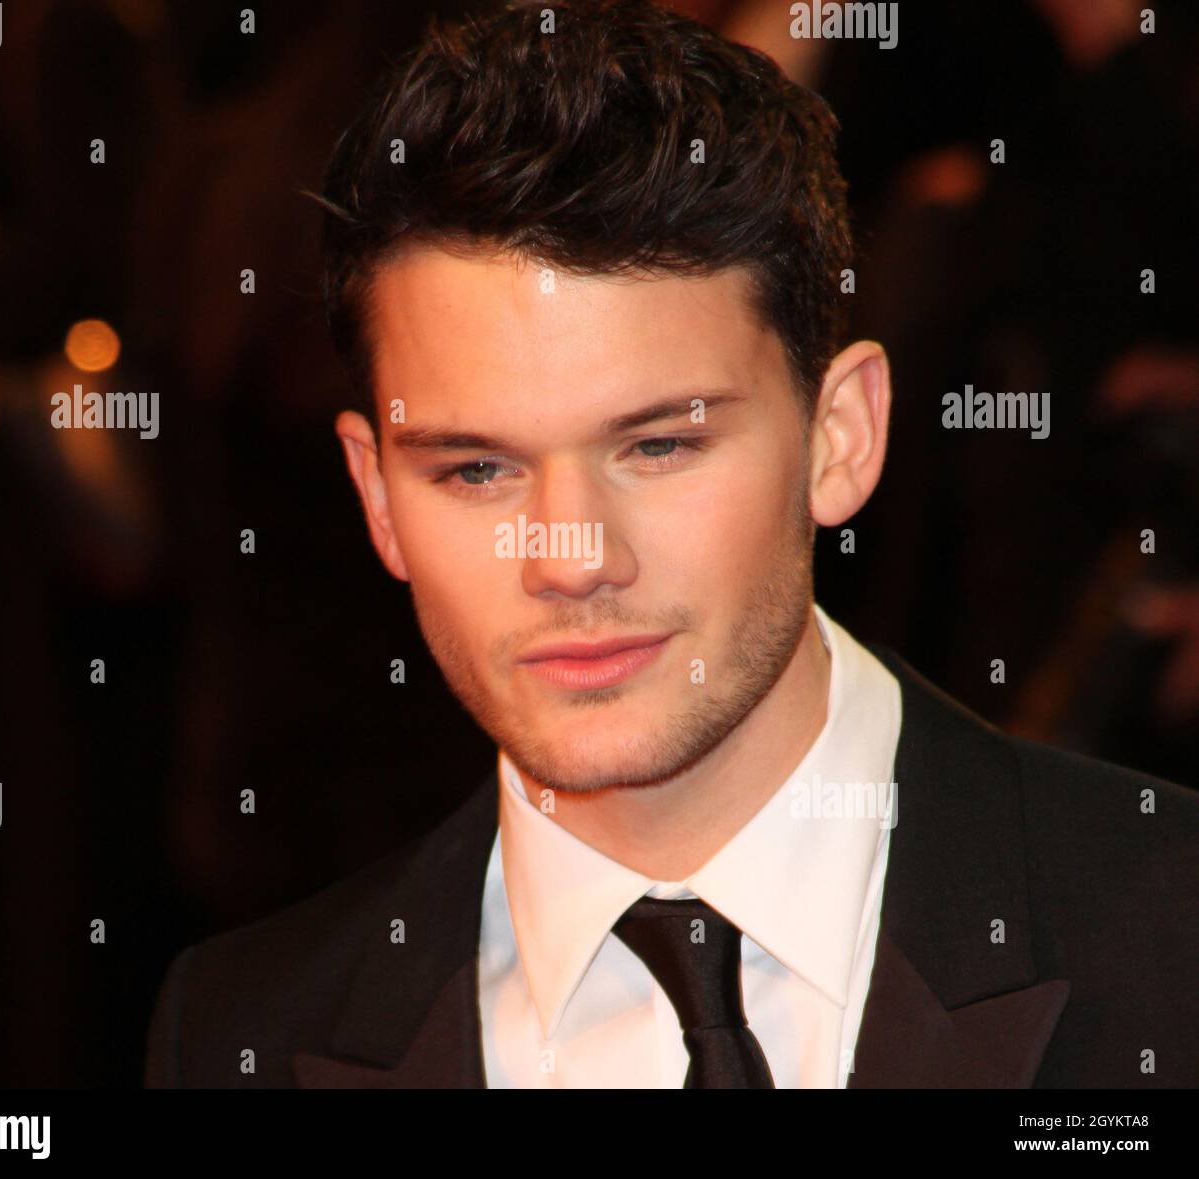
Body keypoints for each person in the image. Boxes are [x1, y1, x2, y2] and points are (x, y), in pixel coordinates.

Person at [143, 0, 1197, 1088]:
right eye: (475, 470)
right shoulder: (238, 1038)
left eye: (656, 447)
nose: (570, 557)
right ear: (374, 493)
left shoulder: (1171, 932)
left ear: (840, 438)